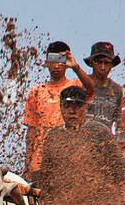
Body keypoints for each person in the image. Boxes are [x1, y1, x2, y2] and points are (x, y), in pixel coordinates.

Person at [24, 41, 94, 177]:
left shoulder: (75, 86)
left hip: (70, 156)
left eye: (60, 60)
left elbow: (91, 89)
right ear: (46, 62)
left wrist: (76, 67)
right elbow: (31, 131)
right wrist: (27, 165)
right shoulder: (37, 92)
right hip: (40, 159)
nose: (56, 65)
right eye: (52, 60)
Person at [77, 42, 125, 135]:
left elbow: (118, 122)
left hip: (104, 142)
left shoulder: (116, 90)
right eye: (99, 62)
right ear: (92, 63)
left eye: (106, 63)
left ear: (112, 65)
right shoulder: (81, 85)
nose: (102, 67)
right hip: (82, 139)